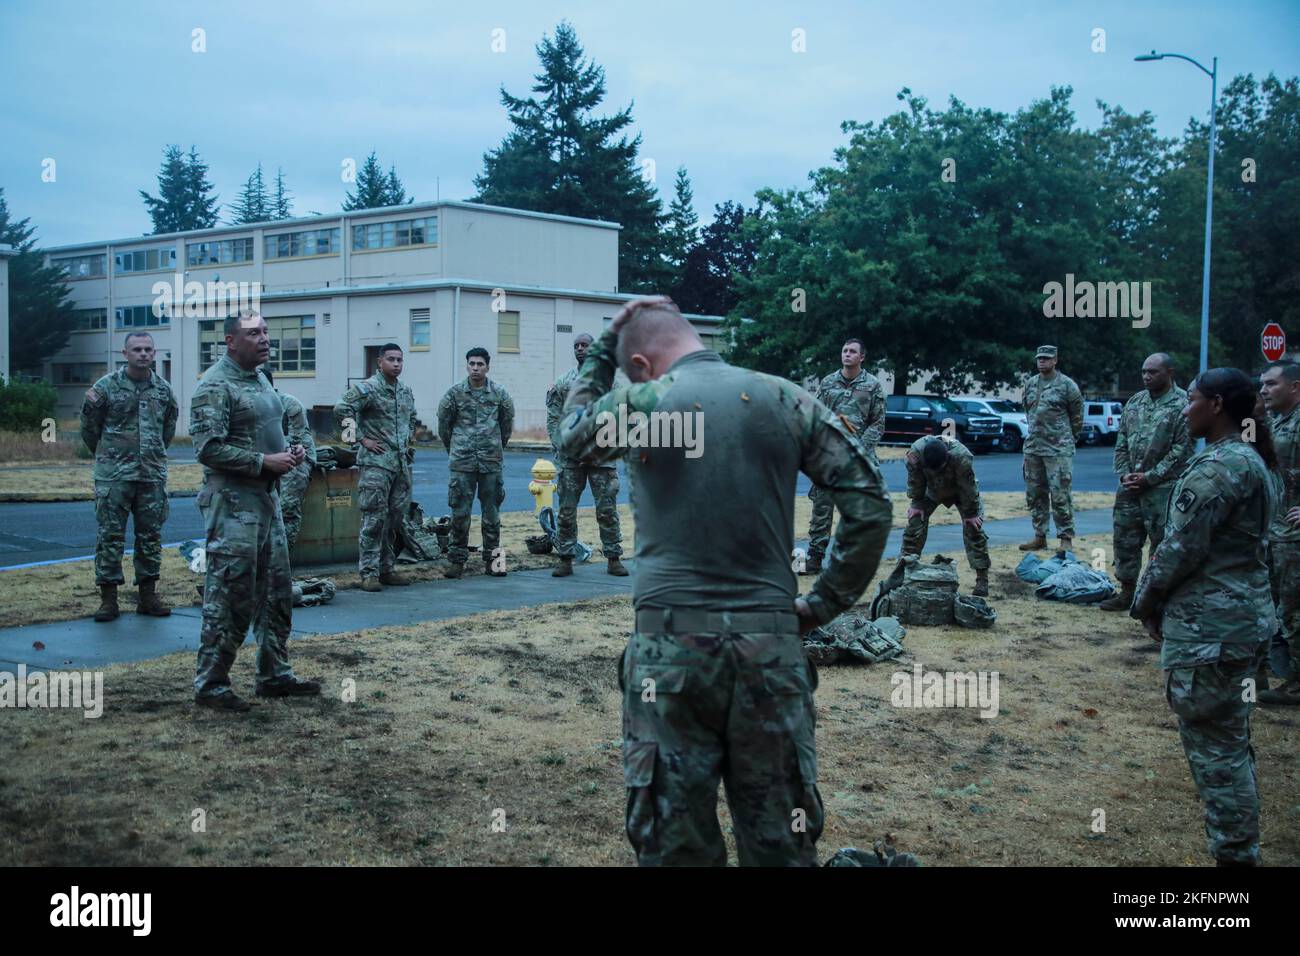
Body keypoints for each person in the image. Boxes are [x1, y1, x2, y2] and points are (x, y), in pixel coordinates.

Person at [559, 296, 891, 867]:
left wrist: (601, 357)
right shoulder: (784, 396)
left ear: (638, 360)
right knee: (780, 842)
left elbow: (570, 440)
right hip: (771, 648)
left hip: (669, 654)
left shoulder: (643, 399)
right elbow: (869, 504)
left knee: (674, 844)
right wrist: (823, 603)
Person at [1131, 367, 1276, 866]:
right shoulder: (1252, 460)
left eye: (1190, 400)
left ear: (1215, 405)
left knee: (1217, 754)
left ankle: (1236, 861)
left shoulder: (1218, 468)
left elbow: (1178, 550)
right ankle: (1241, 849)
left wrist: (1144, 603)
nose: (1183, 408)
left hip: (1211, 634)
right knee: (1232, 745)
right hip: (1243, 624)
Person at [190, 311, 320, 711]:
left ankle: (274, 675)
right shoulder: (214, 386)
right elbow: (207, 448)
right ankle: (211, 685)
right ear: (230, 341)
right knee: (230, 595)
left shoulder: (261, 379)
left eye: (265, 331)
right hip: (232, 504)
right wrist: (263, 462)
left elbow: (269, 434)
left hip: (267, 500)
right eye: (253, 333)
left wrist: (290, 454)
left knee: (276, 592)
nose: (264, 339)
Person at [79, 331, 178, 622]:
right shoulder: (105, 387)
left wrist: (152, 455)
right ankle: (108, 600)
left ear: (154, 353)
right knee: (110, 537)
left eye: (148, 349)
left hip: (151, 475)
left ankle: (147, 596)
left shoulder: (163, 390)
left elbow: (167, 430)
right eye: (137, 349)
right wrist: (109, 456)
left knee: (150, 537)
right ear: (125, 354)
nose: (143, 354)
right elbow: (89, 428)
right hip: (114, 476)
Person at [1099, 353, 1191, 612]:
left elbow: (1182, 449)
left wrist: (1150, 477)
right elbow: (1122, 441)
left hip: (1163, 489)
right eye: (1144, 372)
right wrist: (1124, 473)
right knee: (1125, 540)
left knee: (1162, 545)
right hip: (1129, 487)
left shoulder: (1183, 403)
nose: (1146, 377)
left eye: (1153, 372)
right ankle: (1126, 592)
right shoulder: (1135, 402)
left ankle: (1157, 597)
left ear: (1169, 372)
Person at [334, 344, 418, 591]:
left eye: (400, 360)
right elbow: (341, 408)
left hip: (399, 464)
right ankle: (369, 573)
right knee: (374, 519)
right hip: (375, 464)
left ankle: (387, 569)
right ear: (379, 362)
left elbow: (410, 418)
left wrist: (408, 443)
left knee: (394, 519)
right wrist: (359, 439)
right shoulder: (368, 388)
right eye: (391, 359)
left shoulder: (404, 391)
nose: (396, 364)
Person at [802, 338, 886, 575]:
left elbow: (878, 423)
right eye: (844, 350)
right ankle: (815, 557)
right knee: (821, 508)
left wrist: (859, 449)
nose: (847, 354)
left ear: (862, 357)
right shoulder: (828, 382)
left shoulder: (872, 385)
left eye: (852, 351)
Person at [546, 332, 626, 577]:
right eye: (577, 346)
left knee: (607, 510)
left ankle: (613, 558)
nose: (580, 349)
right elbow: (554, 419)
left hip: (602, 458)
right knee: (567, 510)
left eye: (585, 345)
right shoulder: (564, 382)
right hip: (571, 459)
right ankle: (566, 558)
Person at [437, 347, 515, 579]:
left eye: (480, 364)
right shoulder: (453, 394)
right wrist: (456, 449)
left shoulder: (500, 394)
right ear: (467, 365)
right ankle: (456, 561)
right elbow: (444, 427)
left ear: (487, 367)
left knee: (492, 515)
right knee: (460, 514)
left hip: (491, 462)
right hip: (462, 462)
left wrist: (495, 446)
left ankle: (494, 562)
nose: (475, 368)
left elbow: (506, 426)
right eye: (472, 363)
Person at [1258, 359, 1300, 704]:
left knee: (1293, 608)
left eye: (1271, 384)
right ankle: (1284, 668)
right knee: (1276, 606)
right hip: (1274, 530)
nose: (1264, 390)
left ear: (1295, 386)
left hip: (1295, 536)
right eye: (1262, 384)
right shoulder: (1273, 421)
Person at [902, 435, 990, 596]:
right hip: (932, 490)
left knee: (974, 529)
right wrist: (916, 504)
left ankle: (982, 580)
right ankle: (903, 572)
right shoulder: (915, 454)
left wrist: (971, 513)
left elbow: (968, 488)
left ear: (947, 458)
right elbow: (916, 479)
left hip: (960, 491)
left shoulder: (961, 457)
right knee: (914, 524)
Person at [1019, 344, 1083, 554]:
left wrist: (1069, 439)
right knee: (1035, 494)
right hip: (1034, 447)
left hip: (1058, 449)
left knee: (1060, 495)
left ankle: (1066, 537)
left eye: (1046, 358)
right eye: (1039, 358)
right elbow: (1028, 412)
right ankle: (1039, 536)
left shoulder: (1067, 385)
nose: (1042, 362)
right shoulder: (1030, 384)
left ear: (1055, 360)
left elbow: (1077, 416)